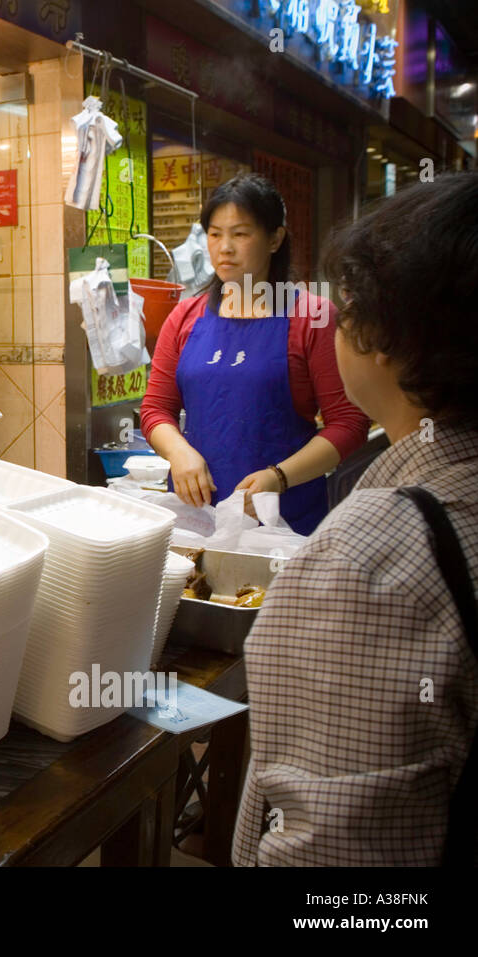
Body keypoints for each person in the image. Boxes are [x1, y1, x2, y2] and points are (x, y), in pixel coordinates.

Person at [233, 172, 478, 866]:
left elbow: (332, 860)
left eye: (347, 311)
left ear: (384, 339)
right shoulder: (195, 315)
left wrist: (281, 474)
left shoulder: (373, 558)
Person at [141, 173, 368, 535]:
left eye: (241, 234)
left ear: (275, 238)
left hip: (283, 521)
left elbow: (349, 423)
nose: (224, 247)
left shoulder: (312, 317)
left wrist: (278, 477)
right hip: (195, 517)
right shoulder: (185, 316)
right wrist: (179, 454)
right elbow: (156, 409)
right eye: (214, 234)